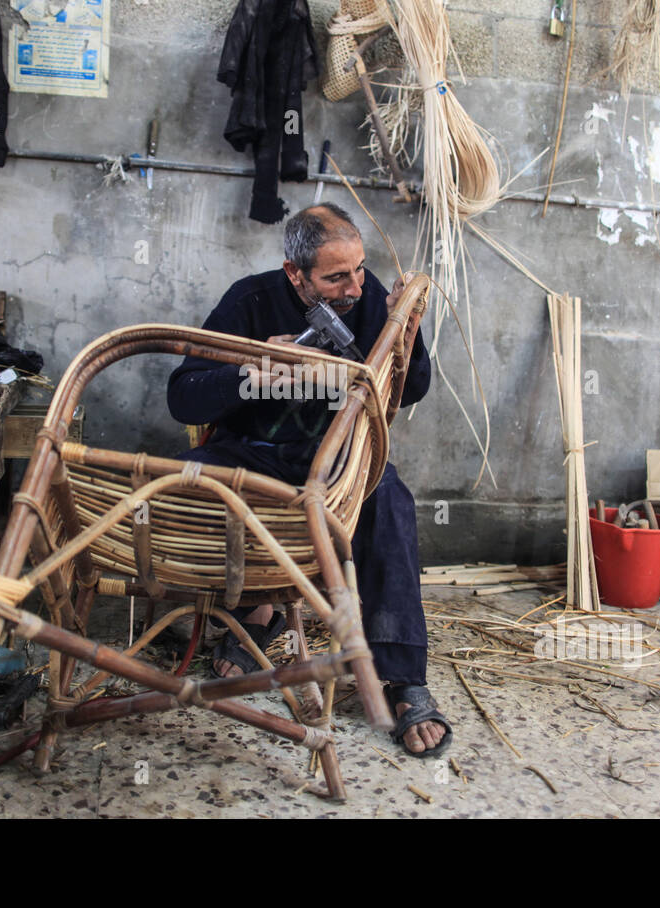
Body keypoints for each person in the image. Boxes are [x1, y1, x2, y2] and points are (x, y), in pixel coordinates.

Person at [167, 203, 452, 757]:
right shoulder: (248, 300)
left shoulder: (371, 304)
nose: (354, 286)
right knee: (209, 487)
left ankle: (402, 677)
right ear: (295, 273)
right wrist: (245, 373)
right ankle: (259, 614)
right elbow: (182, 395)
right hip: (254, 452)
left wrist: (408, 334)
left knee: (389, 498)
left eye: (360, 269)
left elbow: (413, 389)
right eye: (336, 276)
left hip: (337, 457)